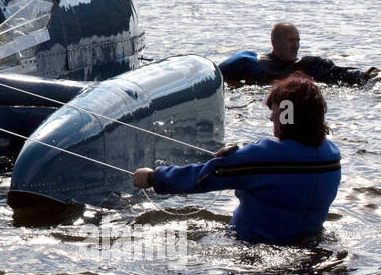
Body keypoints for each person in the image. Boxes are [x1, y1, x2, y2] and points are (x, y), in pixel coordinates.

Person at [133, 74, 341, 245]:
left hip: (253, 246)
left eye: (275, 111)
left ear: (288, 115)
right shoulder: (331, 155)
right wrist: (239, 158)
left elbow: (203, 178)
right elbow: (287, 169)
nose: (271, 118)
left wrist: (154, 178)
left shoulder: (263, 156)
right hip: (309, 244)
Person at [219, 22, 381, 86]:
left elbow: (341, 74)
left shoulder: (309, 64)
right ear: (275, 42)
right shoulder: (250, 61)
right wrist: (236, 86)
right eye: (290, 41)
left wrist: (369, 74)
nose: (296, 46)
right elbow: (215, 78)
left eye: (298, 40)